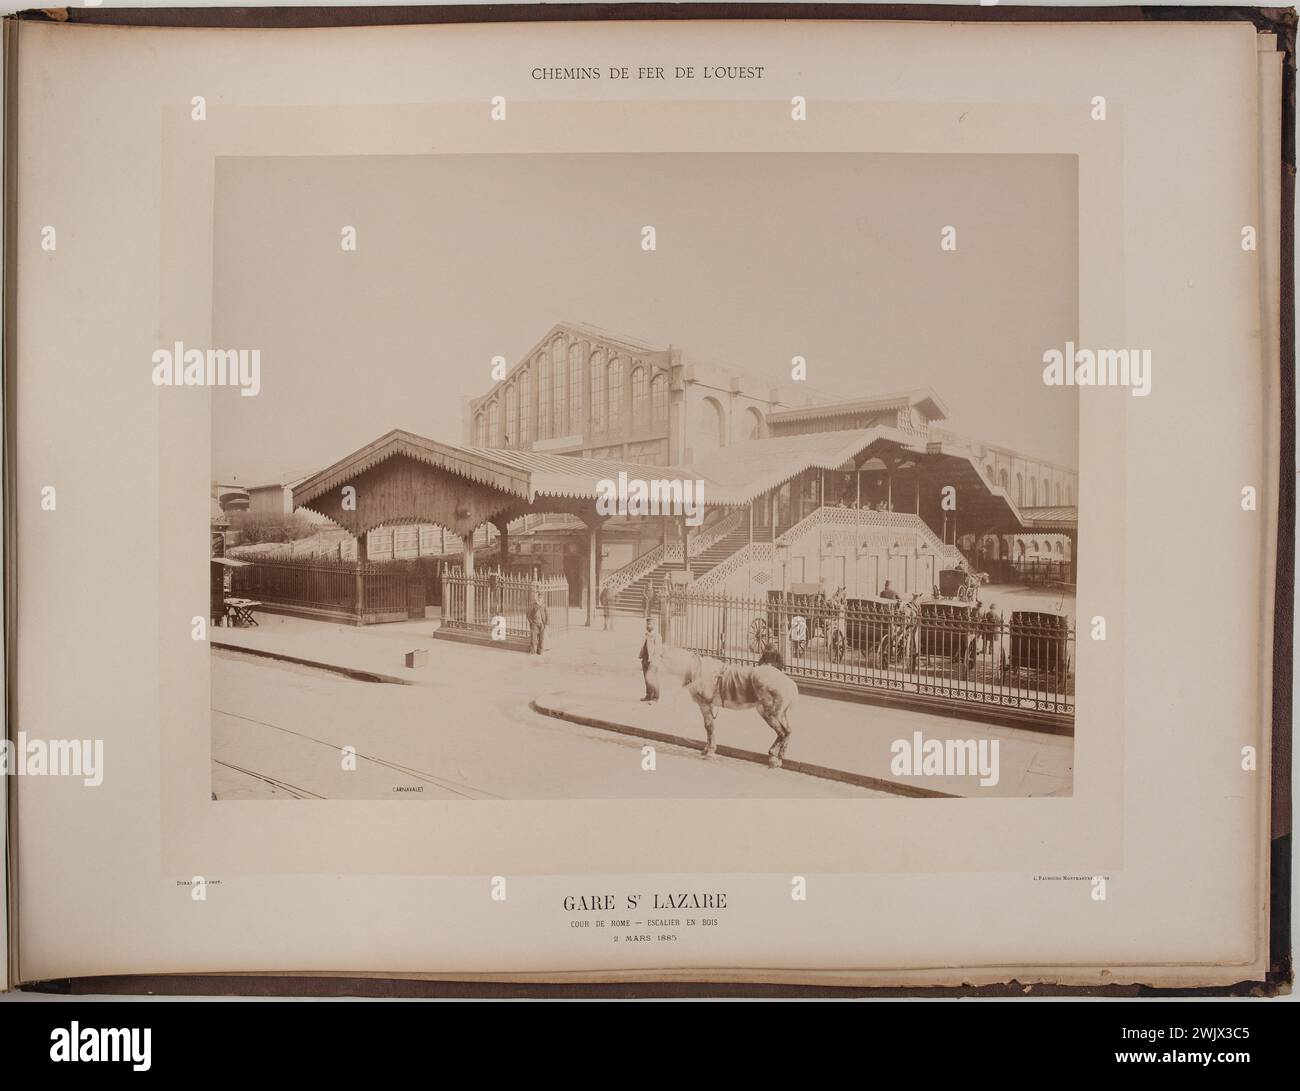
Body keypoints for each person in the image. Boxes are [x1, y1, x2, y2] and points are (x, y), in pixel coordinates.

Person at [638, 617, 661, 702]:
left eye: (650, 624)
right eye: (647, 624)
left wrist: (653, 661)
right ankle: (648, 696)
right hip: (645, 659)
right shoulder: (647, 634)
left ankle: (655, 697)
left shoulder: (657, 636)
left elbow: (658, 650)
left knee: (652, 679)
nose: (648, 625)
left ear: (654, 625)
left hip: (653, 661)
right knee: (646, 678)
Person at [526, 590, 548, 655]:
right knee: (533, 638)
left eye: (541, 597)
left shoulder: (544, 605)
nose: (539, 598)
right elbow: (528, 614)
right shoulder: (533, 605)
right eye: (539, 597)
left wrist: (546, 623)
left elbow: (547, 615)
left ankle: (540, 651)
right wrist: (531, 622)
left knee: (541, 638)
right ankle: (532, 651)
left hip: (542, 624)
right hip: (534, 624)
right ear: (537, 598)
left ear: (543, 598)